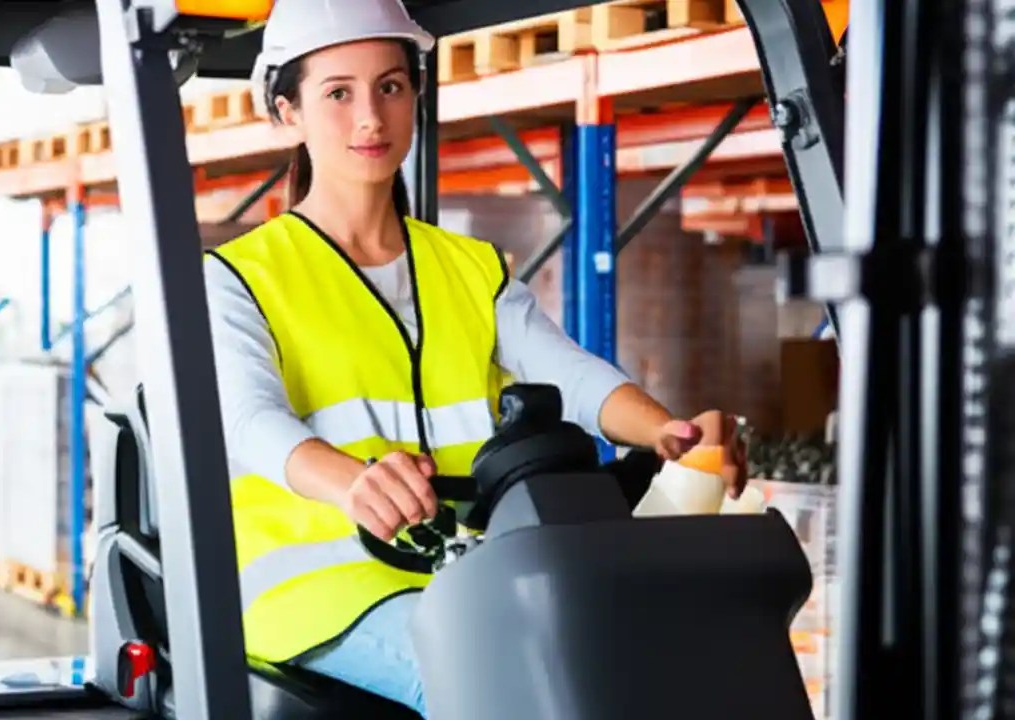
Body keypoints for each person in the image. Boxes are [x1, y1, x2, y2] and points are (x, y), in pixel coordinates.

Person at [202, 0, 748, 715]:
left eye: (391, 87)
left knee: (638, 651)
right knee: (496, 678)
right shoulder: (241, 276)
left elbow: (567, 370)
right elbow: (248, 420)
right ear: (288, 113)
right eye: (338, 93)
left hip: (468, 573)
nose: (370, 117)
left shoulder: (470, 268)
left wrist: (663, 432)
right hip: (316, 592)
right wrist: (350, 483)